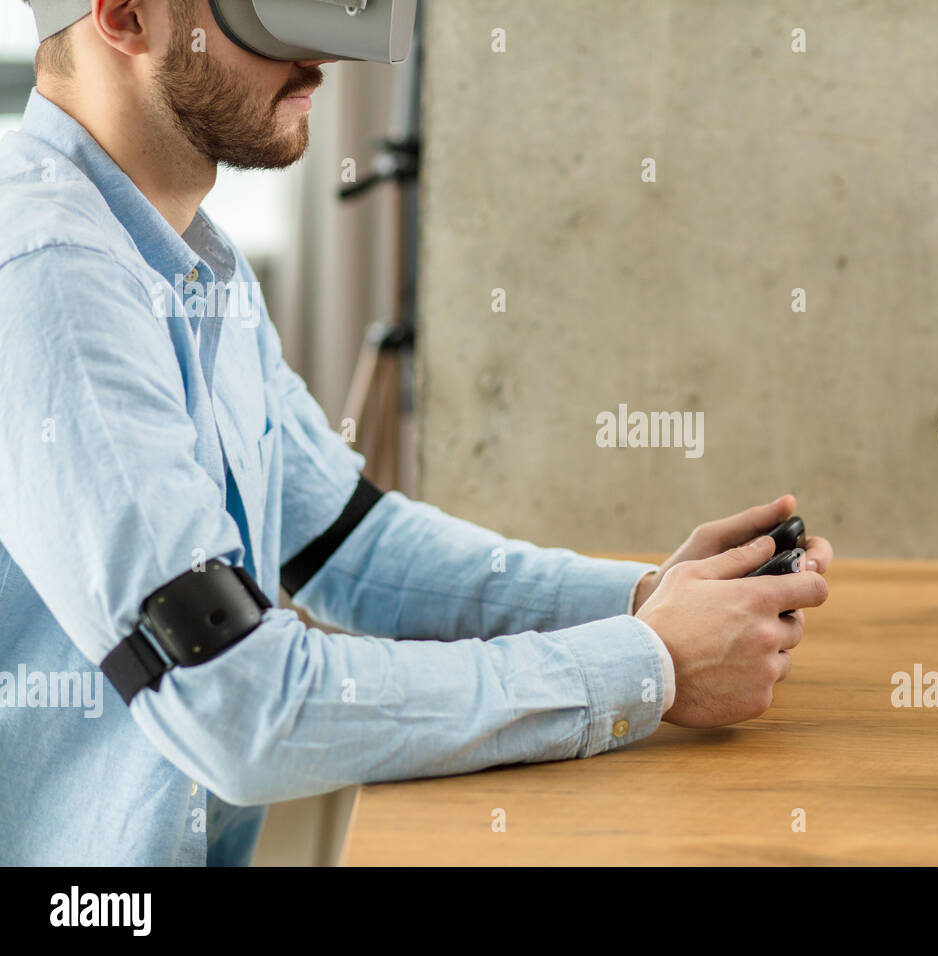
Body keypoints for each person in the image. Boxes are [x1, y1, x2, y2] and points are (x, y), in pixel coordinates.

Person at [0, 0, 832, 866]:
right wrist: (648, 664)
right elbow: (238, 704)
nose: (322, 59)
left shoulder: (193, 265)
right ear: (126, 16)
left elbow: (354, 544)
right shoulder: (49, 279)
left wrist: (648, 598)